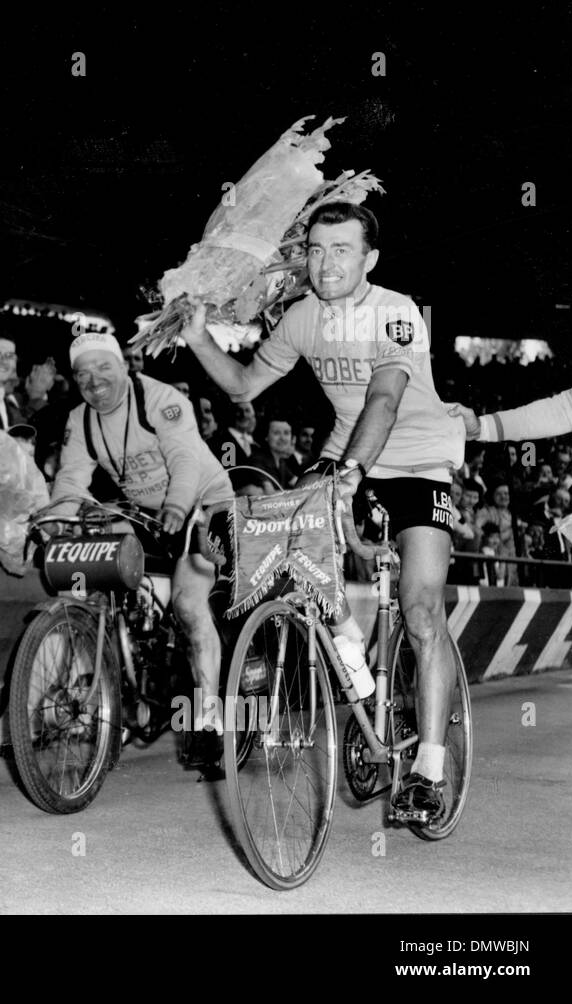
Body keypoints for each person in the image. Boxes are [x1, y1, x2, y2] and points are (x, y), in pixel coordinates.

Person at [179, 201, 466, 820]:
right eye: (315, 248)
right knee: (278, 539)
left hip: (417, 458)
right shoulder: (302, 316)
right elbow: (241, 386)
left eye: (341, 249)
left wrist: (352, 477)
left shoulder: (396, 312)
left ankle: (428, 770)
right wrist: (200, 337)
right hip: (346, 450)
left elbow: (385, 401)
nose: (325, 262)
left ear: (370, 259)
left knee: (420, 610)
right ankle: (347, 645)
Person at [49, 330, 234, 769]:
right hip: (146, 512)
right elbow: (73, 478)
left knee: (190, 606)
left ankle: (209, 722)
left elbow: (186, 460)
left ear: (125, 366)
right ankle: (122, 676)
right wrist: (55, 519)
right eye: (82, 375)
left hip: (203, 503)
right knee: (92, 562)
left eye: (103, 369)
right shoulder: (81, 420)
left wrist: (176, 504)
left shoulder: (161, 398)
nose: (94, 382)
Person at [250, 417, 303, 490]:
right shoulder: (257, 460)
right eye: (276, 433)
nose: (282, 438)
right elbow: (269, 494)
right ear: (266, 437)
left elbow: (299, 483)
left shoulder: (281, 462)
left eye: (286, 433)